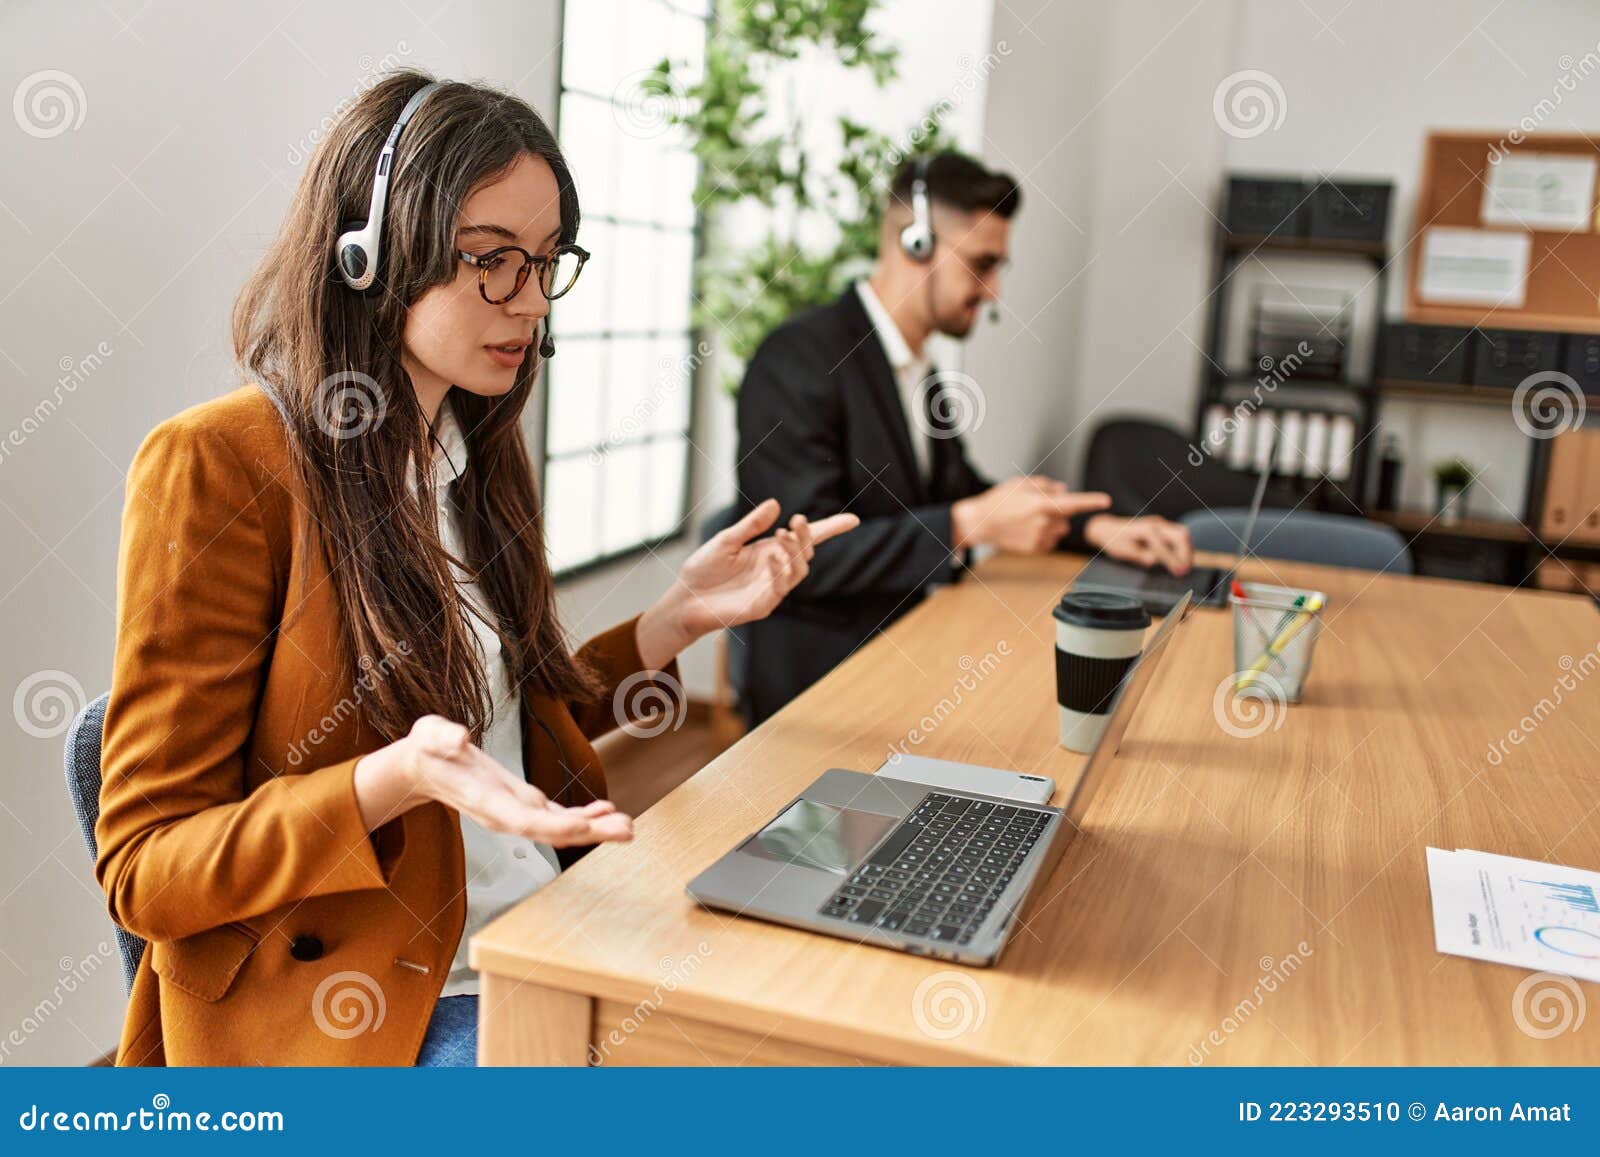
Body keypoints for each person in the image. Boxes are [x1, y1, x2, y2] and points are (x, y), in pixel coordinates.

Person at [94, 71, 857, 1067]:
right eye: (491, 261)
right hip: (373, 1005)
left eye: (545, 262)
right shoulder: (223, 463)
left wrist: (672, 623)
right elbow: (147, 867)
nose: (531, 302)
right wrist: (391, 779)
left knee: (813, 1015)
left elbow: (510, 741)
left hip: (541, 927)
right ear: (369, 254)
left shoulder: (473, 443)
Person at [735, 151, 1193, 725]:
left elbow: (962, 489)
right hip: (823, 688)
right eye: (982, 263)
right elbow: (800, 557)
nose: (995, 290)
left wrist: (1095, 528)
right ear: (915, 245)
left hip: (911, 650)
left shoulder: (916, 368)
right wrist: (969, 523)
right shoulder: (797, 360)